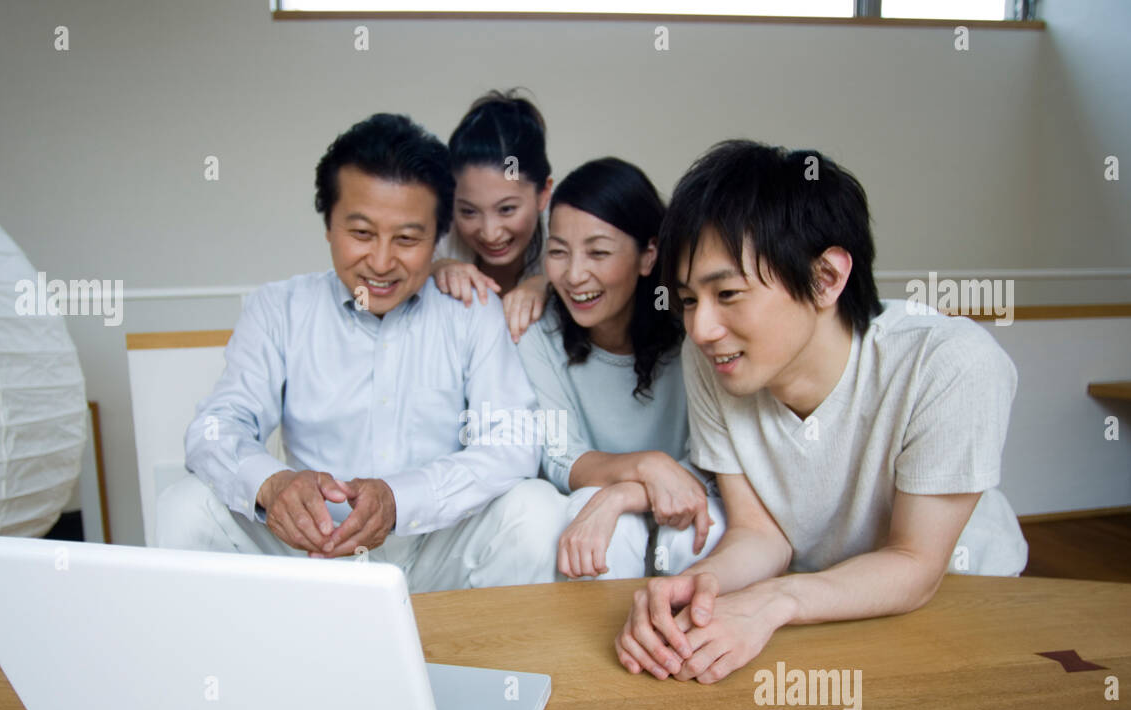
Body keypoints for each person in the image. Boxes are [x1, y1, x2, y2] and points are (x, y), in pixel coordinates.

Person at [616, 139, 1029, 683]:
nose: (701, 328)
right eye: (689, 300)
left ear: (826, 278)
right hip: (817, 602)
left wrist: (772, 602)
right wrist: (698, 585)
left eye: (729, 294)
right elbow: (762, 534)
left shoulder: (949, 363)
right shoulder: (713, 359)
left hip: (959, 597)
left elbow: (915, 565)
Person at [155, 112, 565, 593]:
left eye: (408, 239)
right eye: (362, 233)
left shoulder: (472, 310)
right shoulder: (278, 308)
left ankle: (486, 666)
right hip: (308, 549)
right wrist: (271, 485)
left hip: (435, 551)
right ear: (328, 224)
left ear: (438, 237)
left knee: (536, 509)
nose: (382, 261)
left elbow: (511, 442)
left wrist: (401, 500)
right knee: (182, 507)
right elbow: (216, 426)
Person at [514, 157, 725, 580]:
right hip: (591, 504)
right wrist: (646, 466)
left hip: (690, 493)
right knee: (603, 526)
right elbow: (559, 456)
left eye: (598, 252)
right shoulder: (538, 333)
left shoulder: (693, 326)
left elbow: (714, 459)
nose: (574, 275)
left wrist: (631, 488)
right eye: (558, 252)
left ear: (648, 255)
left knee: (697, 532)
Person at [431, 89, 553, 341]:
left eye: (507, 209)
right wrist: (434, 269)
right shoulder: (435, 236)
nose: (490, 232)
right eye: (468, 211)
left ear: (543, 194)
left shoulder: (564, 238)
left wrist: (550, 285)